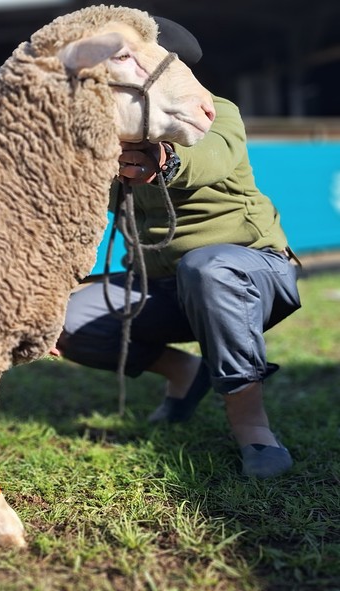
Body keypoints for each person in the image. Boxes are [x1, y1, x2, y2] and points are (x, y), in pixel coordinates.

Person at [52, 17, 302, 478]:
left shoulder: (219, 111)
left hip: (250, 273)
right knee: (61, 321)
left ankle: (253, 428)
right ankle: (185, 375)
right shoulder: (106, 139)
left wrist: (163, 162)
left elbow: (210, 156)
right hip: (164, 286)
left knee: (207, 269)